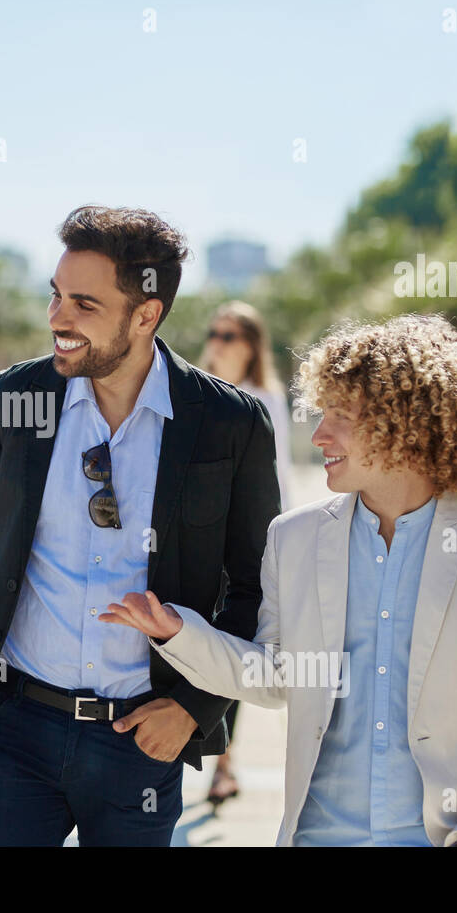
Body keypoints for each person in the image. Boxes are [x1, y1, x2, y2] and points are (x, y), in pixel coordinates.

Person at [104, 314, 457, 846]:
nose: (318, 434)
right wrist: (178, 632)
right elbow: (277, 676)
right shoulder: (293, 539)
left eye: (341, 415)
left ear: (406, 422)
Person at [0, 205, 282, 846]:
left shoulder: (228, 424)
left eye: (84, 304)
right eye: (55, 296)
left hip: (142, 740)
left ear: (146, 313)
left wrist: (194, 710)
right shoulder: (17, 402)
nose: (58, 318)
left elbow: (254, 587)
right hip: (13, 728)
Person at [196, 299, 293, 808]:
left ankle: (224, 763)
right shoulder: (193, 394)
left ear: (252, 344)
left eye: (230, 335)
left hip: (248, 547)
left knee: (235, 646)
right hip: (197, 543)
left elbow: (279, 482)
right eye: (215, 332)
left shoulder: (266, 400)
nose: (218, 342)